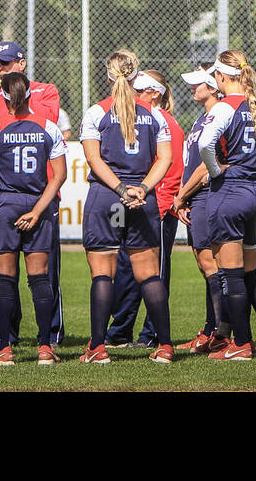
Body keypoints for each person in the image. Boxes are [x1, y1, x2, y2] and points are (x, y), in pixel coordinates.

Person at [180, 50, 256, 361]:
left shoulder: (224, 107)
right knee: (251, 273)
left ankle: (243, 345)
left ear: (220, 77)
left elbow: (206, 144)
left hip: (230, 194)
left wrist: (216, 170)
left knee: (231, 274)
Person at [78, 50, 175, 364]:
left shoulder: (96, 112)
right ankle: (165, 347)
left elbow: (94, 159)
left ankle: (98, 348)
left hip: (107, 197)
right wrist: (142, 188)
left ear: (108, 75)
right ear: (137, 78)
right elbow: (165, 159)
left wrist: (120, 188)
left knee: (102, 275)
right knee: (149, 275)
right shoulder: (155, 114)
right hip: (143, 199)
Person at [0, 40, 64, 347]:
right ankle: (43, 347)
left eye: (5, 63)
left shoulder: (36, 98)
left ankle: (6, 347)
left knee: (7, 277)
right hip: (38, 199)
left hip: (6, 200)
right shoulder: (41, 123)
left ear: (21, 63)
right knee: (38, 277)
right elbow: (60, 172)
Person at [106, 70, 184, 349]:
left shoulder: (166, 123)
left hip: (157, 208)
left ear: (154, 94)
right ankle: (120, 332)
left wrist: (161, 205)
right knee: (127, 271)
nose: (134, 95)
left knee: (155, 274)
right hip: (136, 205)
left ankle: (152, 334)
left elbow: (172, 170)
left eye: (140, 91)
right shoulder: (141, 118)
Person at [171, 66, 229, 353]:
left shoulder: (219, 115)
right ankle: (211, 330)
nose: (193, 88)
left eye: (198, 84)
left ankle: (223, 333)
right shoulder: (200, 120)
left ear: (213, 86)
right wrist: (184, 197)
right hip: (196, 196)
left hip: (207, 193)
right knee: (205, 267)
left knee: (212, 267)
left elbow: (209, 164)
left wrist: (182, 196)